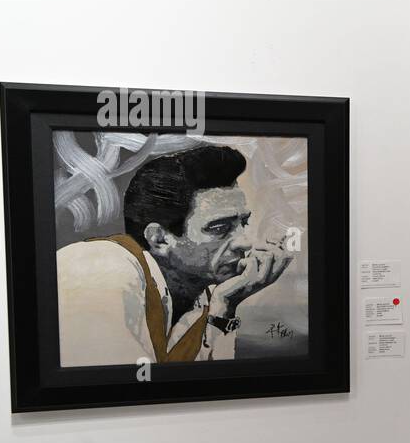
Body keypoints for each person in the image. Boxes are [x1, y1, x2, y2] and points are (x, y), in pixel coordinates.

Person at [55, 144, 293, 367]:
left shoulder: (206, 294)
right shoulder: (97, 269)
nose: (246, 242)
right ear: (160, 239)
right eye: (219, 228)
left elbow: (208, 392)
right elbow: (129, 394)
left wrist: (226, 307)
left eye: (244, 223)